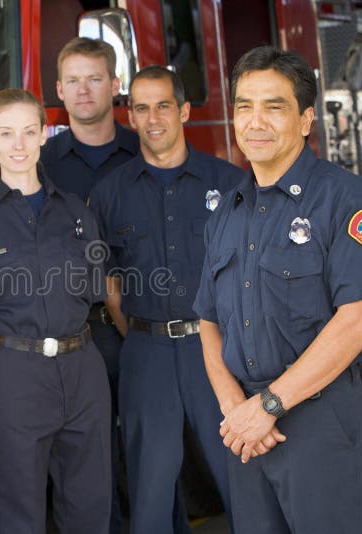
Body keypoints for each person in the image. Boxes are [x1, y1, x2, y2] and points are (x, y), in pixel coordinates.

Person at [193, 46, 362, 533]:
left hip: (319, 423)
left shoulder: (344, 198)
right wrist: (235, 409)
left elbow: (359, 322)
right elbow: (207, 322)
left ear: (307, 119)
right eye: (244, 106)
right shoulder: (226, 211)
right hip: (248, 434)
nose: (255, 121)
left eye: (275, 106)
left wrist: (269, 405)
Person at [0, 88, 111, 533]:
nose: (19, 144)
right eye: (7, 132)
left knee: (90, 506)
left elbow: (96, 295)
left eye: (29, 132)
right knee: (19, 512)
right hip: (12, 377)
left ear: (43, 137)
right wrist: (2, 352)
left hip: (82, 371)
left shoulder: (76, 212)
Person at [89, 66, 242, 534]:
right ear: (129, 115)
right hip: (146, 351)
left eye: (163, 105)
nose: (152, 117)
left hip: (218, 350)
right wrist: (138, 334)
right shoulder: (109, 193)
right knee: (150, 490)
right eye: (141, 107)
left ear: (185, 111)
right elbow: (109, 283)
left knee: (241, 475)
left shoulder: (231, 183)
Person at [40, 38, 139, 533]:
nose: (84, 90)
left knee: (147, 456)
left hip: (140, 331)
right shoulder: (40, 163)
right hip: (72, 336)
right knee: (83, 466)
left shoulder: (146, 152)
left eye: (95, 78)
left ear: (115, 86)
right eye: (73, 80)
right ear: (58, 89)